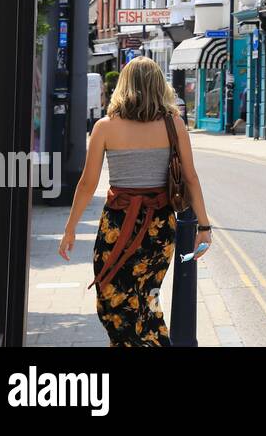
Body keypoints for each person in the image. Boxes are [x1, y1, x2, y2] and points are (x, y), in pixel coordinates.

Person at [58, 57, 213, 347]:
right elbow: (190, 177)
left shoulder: (105, 127)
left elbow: (87, 184)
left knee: (112, 302)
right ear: (159, 85)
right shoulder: (173, 124)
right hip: (159, 227)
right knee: (146, 302)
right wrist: (204, 227)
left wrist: (70, 228)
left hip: (117, 227)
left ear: (123, 85)